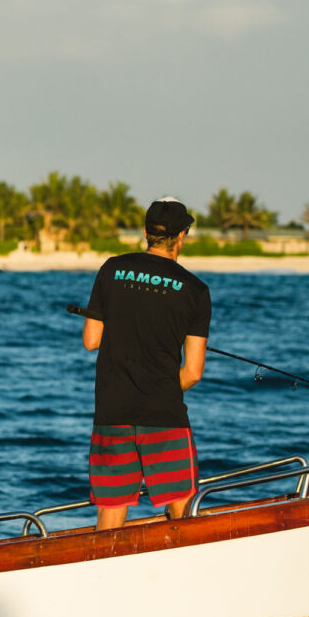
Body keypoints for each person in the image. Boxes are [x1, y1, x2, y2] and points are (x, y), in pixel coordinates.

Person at [79, 197, 211, 530]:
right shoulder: (196, 290)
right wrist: (162, 389)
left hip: (112, 413)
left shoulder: (112, 269)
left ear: (145, 233)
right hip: (163, 415)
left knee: (112, 511)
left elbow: (91, 340)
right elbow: (193, 372)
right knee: (182, 510)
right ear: (182, 236)